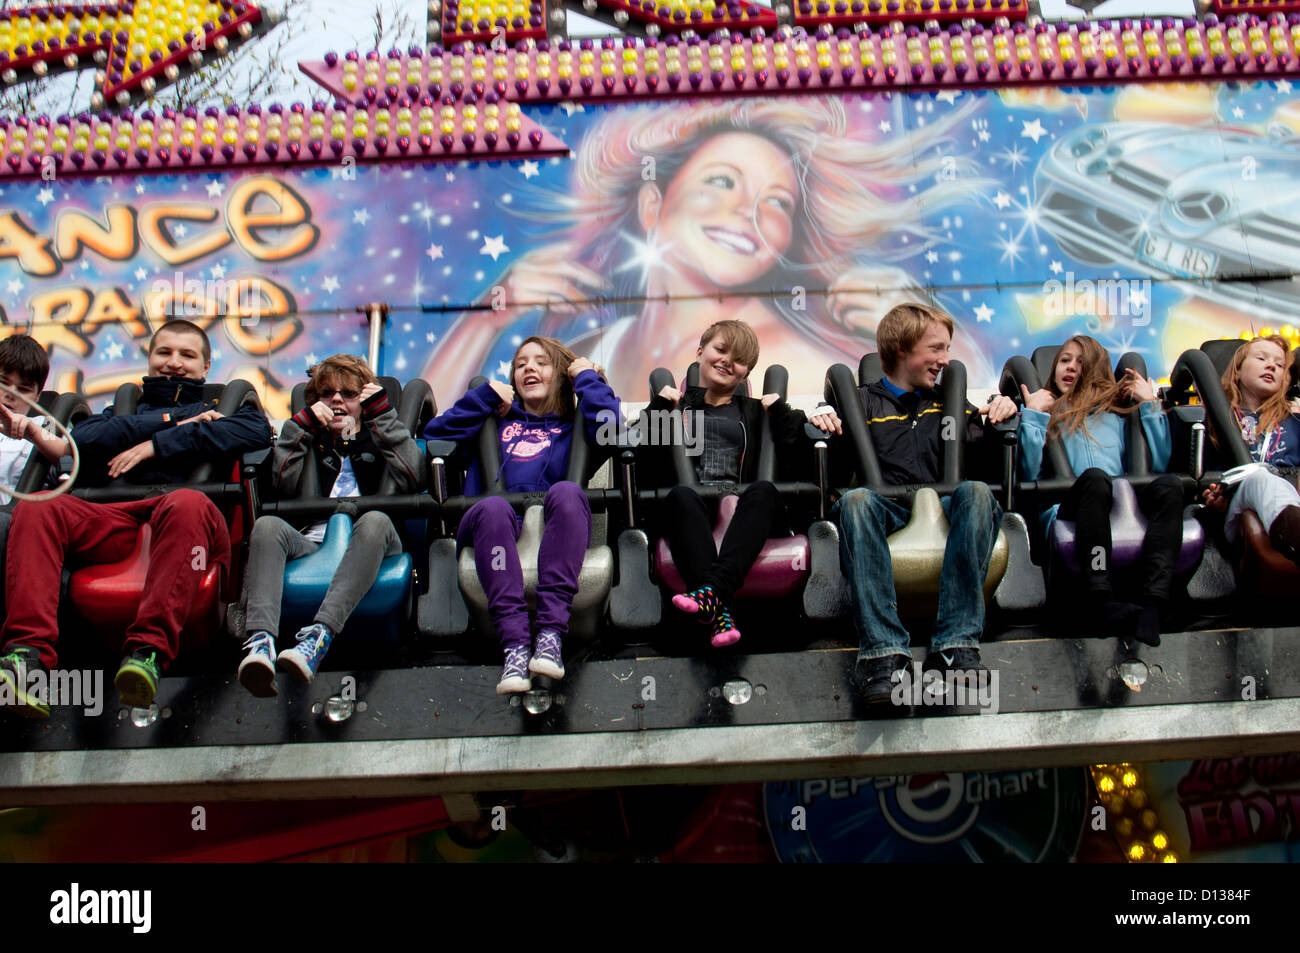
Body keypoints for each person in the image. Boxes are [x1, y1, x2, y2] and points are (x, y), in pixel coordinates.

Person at [424, 98, 994, 399]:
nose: (748, 212)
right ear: (653, 205)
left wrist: (938, 333)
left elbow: (965, 404)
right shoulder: (591, 352)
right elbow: (437, 433)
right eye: (722, 181)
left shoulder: (800, 358)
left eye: (776, 203)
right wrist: (484, 319)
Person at [0, 319, 273, 716]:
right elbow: (84, 440)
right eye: (164, 353)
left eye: (187, 355)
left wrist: (157, 447)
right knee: (39, 504)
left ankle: (147, 653)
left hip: (186, 521)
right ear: (149, 359)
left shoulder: (224, 410)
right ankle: (26, 658)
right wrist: (167, 422)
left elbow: (255, 432)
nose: (174, 363)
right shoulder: (120, 410)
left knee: (186, 502)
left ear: (206, 366)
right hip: (118, 520)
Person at [830, 303, 1018, 704]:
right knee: (857, 500)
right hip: (890, 510)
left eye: (947, 350)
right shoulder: (862, 404)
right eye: (936, 349)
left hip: (948, 509)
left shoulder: (951, 405)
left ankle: (955, 644)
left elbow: (983, 457)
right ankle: (883, 653)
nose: (944, 360)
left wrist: (1004, 412)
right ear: (903, 349)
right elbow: (825, 462)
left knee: (979, 491)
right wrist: (820, 419)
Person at [424, 336, 621, 694]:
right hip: (493, 532)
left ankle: (549, 636)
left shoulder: (575, 428)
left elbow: (615, 428)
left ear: (562, 374)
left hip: (555, 532)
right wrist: (484, 397)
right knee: (495, 506)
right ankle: (515, 644)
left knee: (566, 491)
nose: (529, 368)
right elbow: (434, 434)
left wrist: (587, 378)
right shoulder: (495, 421)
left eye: (541, 362)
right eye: (520, 364)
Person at [640, 319, 839, 647]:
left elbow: (801, 453)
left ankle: (712, 595)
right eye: (720, 350)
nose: (726, 361)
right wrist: (658, 408)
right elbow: (643, 459)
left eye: (738, 359)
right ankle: (720, 610)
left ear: (746, 373)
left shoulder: (756, 411)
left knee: (763, 490)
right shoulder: (676, 406)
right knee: (680, 496)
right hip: (694, 512)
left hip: (751, 511)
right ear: (700, 352)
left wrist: (785, 412)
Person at [237, 355, 424, 696]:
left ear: (363, 400)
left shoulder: (378, 431)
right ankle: (261, 642)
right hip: (313, 541)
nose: (337, 400)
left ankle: (319, 636)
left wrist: (381, 415)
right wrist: (300, 427)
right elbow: (282, 483)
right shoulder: (308, 437)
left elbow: (413, 475)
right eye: (327, 393)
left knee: (374, 520)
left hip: (375, 542)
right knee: (266, 527)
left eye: (349, 393)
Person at [1019, 335, 1178, 646]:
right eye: (1065, 360)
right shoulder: (1047, 411)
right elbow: (1027, 473)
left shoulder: (1119, 414)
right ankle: (1100, 597)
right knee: (1094, 479)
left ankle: (1154, 604)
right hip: (1071, 506)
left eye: (1081, 363)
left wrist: (1150, 405)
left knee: (1170, 486)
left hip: (1123, 504)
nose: (1071, 368)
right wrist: (1034, 416)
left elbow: (1159, 462)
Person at [1200, 335, 1300, 564]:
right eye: (1261, 358)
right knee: (1261, 479)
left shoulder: (1295, 421)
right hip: (1236, 512)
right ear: (1237, 369)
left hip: (1290, 499)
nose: (1271, 365)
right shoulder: (1211, 419)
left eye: (1280, 364)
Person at [0, 335, 64, 505]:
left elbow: (66, 453)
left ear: (37, 396)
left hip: (11, 520)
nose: (11, 393)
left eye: (22, 389)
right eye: (3, 382)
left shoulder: (47, 423)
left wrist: (33, 434)